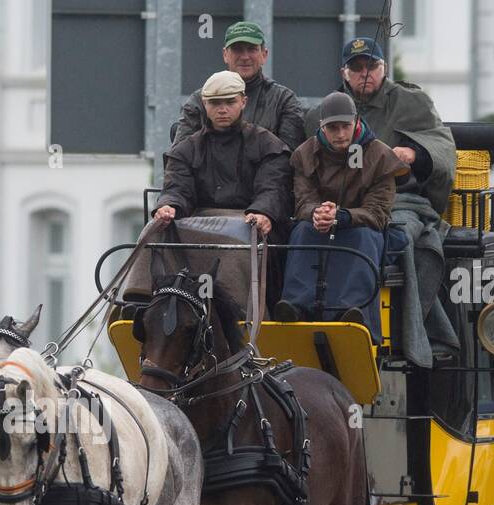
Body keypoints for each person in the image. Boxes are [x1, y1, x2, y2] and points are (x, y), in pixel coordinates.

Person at [304, 37, 459, 366]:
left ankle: (400, 329)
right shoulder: (321, 112)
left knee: (398, 236)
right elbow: (304, 163)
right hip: (341, 205)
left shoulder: (411, 101)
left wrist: (415, 153)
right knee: (301, 233)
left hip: (402, 201)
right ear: (343, 73)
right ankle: (301, 312)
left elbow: (444, 147)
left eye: (371, 66)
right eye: (356, 68)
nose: (364, 74)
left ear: (383, 68)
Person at [275, 92, 406, 341]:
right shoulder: (306, 154)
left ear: (356, 122)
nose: (340, 134)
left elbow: (378, 212)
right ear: (321, 128)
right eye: (332, 128)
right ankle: (295, 307)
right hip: (321, 224)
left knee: (363, 235)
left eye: (345, 126)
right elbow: (302, 199)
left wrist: (343, 216)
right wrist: (317, 213)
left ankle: (353, 312)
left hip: (362, 226)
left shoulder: (379, 155)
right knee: (302, 230)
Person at [153, 70, 292, 246]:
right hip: (198, 221)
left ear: (243, 102)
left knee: (242, 238)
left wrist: (263, 212)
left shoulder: (269, 146)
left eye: (230, 102)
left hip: (250, 221)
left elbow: (272, 188)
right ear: (204, 104)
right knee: (154, 232)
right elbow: (177, 188)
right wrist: (168, 206)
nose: (222, 109)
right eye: (215, 103)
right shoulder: (185, 150)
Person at [174, 21, 305, 154]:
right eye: (237, 49)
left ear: (264, 55)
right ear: (225, 54)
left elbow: (289, 158)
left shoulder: (284, 100)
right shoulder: (199, 100)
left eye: (252, 49)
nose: (245, 57)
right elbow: (179, 158)